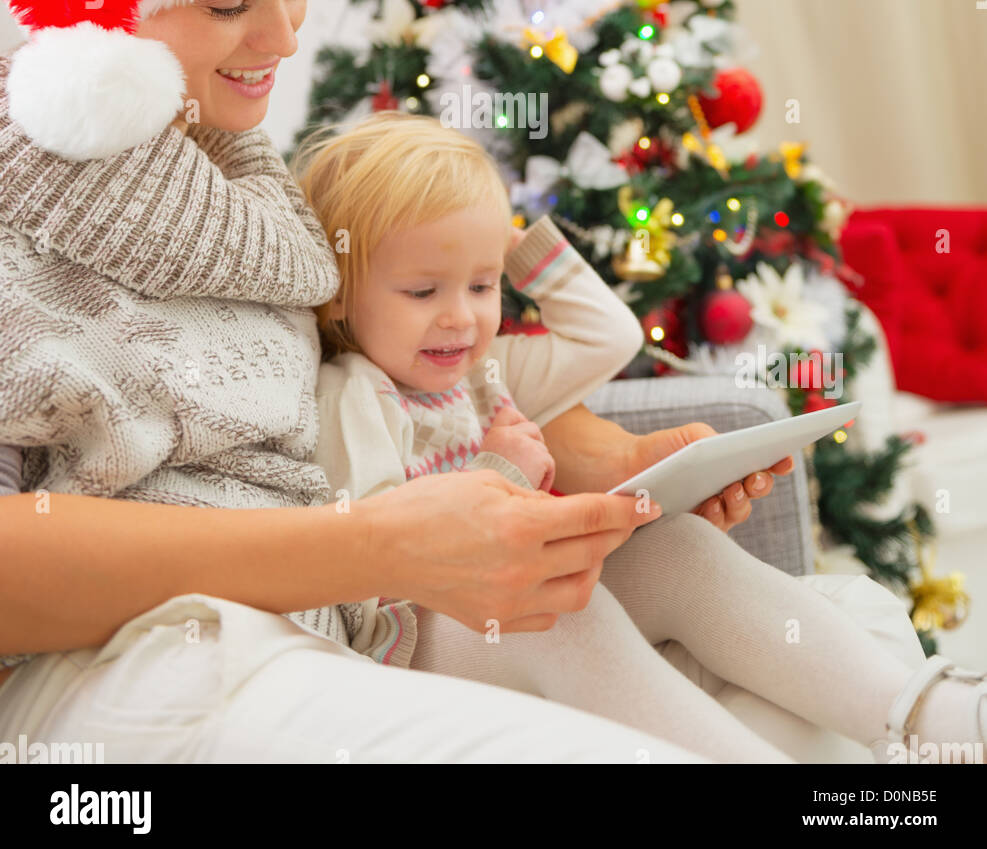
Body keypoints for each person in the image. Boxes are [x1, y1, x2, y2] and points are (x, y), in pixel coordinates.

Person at [1, 0, 982, 765]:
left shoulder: (239, 184)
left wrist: (590, 463)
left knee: (781, 672)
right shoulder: (27, 213)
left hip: (347, 617)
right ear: (90, 10)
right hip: (140, 658)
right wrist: (367, 543)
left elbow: (362, 382)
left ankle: (942, 723)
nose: (281, 39)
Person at [290, 112, 987, 762]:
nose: (460, 320)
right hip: (411, 638)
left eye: (481, 286)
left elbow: (611, 336)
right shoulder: (355, 393)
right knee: (561, 606)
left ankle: (931, 719)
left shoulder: (483, 369)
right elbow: (377, 560)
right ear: (341, 293)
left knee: (678, 544)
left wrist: (512, 242)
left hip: (505, 600)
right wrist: (497, 472)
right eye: (421, 292)